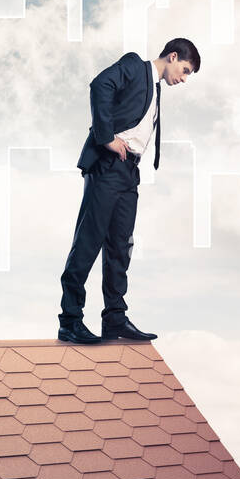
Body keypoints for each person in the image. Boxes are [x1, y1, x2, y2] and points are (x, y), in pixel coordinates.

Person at [57, 38, 200, 344]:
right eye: (185, 70)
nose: (184, 79)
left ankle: (115, 319)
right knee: (88, 242)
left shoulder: (156, 88)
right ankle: (70, 321)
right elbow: (99, 86)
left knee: (120, 247)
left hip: (128, 172)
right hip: (107, 165)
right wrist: (105, 136)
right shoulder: (136, 66)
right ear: (172, 56)